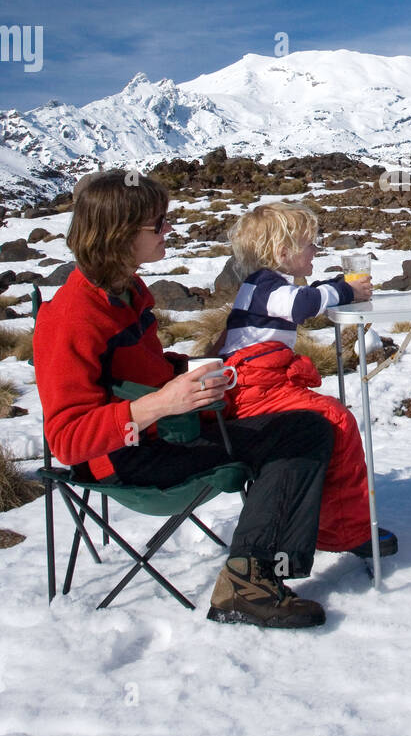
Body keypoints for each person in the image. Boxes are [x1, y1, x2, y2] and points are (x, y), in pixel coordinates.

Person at [33, 170, 338, 629]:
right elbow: (68, 440)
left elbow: (144, 370)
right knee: (299, 435)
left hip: (173, 429)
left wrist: (200, 364)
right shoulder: (74, 317)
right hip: (128, 459)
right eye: (158, 224)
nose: (169, 230)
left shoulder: (128, 290)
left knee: (302, 422)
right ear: (119, 234)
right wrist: (161, 404)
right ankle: (247, 586)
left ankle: (259, 569)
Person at [218, 201, 397, 559]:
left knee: (332, 418)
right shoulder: (264, 286)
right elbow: (302, 305)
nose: (316, 248)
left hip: (256, 386)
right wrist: (346, 291)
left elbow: (302, 297)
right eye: (309, 243)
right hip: (254, 391)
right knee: (336, 419)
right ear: (282, 252)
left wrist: (336, 285)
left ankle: (333, 521)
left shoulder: (264, 286)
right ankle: (348, 532)